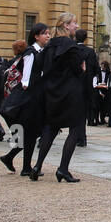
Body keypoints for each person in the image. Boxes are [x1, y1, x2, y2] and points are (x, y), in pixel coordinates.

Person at [32, 14, 88, 182]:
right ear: (65, 26)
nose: (76, 26)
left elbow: (40, 65)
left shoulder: (49, 46)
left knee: (51, 128)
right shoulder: (71, 46)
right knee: (76, 128)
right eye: (74, 23)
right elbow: (78, 70)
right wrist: (83, 69)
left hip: (52, 92)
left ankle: (37, 166)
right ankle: (63, 168)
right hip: (70, 92)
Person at [0, 37, 42, 174]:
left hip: (11, 104)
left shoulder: (14, 61)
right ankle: (23, 166)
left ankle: (11, 159)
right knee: (29, 134)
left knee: (24, 136)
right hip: (20, 103)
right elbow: (26, 81)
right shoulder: (29, 56)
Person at [75, 29, 100, 146]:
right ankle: (82, 138)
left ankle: (74, 137)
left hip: (73, 86)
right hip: (86, 87)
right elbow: (96, 70)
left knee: (73, 113)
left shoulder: (72, 50)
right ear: (86, 39)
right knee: (83, 114)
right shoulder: (90, 52)